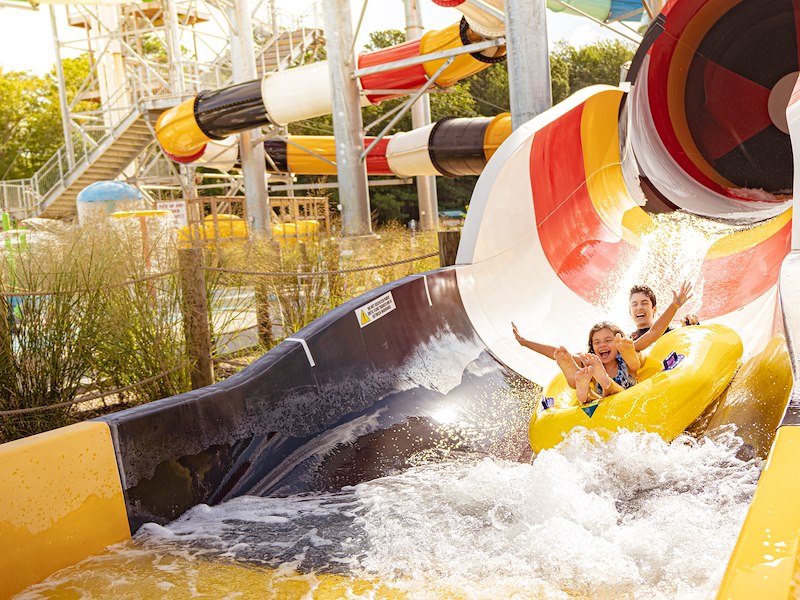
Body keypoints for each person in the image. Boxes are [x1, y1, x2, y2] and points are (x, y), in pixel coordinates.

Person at [512, 320, 640, 405]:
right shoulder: (590, 361)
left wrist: (628, 350)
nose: (602, 345)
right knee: (590, 398)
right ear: (592, 346)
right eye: (597, 342)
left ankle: (601, 383)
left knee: (609, 386)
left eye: (608, 340)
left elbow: (653, 333)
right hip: (602, 404)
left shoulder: (624, 354)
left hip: (627, 395)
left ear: (617, 342)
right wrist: (524, 342)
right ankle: (581, 386)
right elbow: (555, 353)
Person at [629, 283, 698, 347]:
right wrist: (674, 306)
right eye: (634, 304)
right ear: (630, 312)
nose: (639, 307)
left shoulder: (668, 331)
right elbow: (653, 333)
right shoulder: (627, 340)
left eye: (644, 303)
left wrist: (691, 326)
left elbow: (689, 343)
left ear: (654, 309)